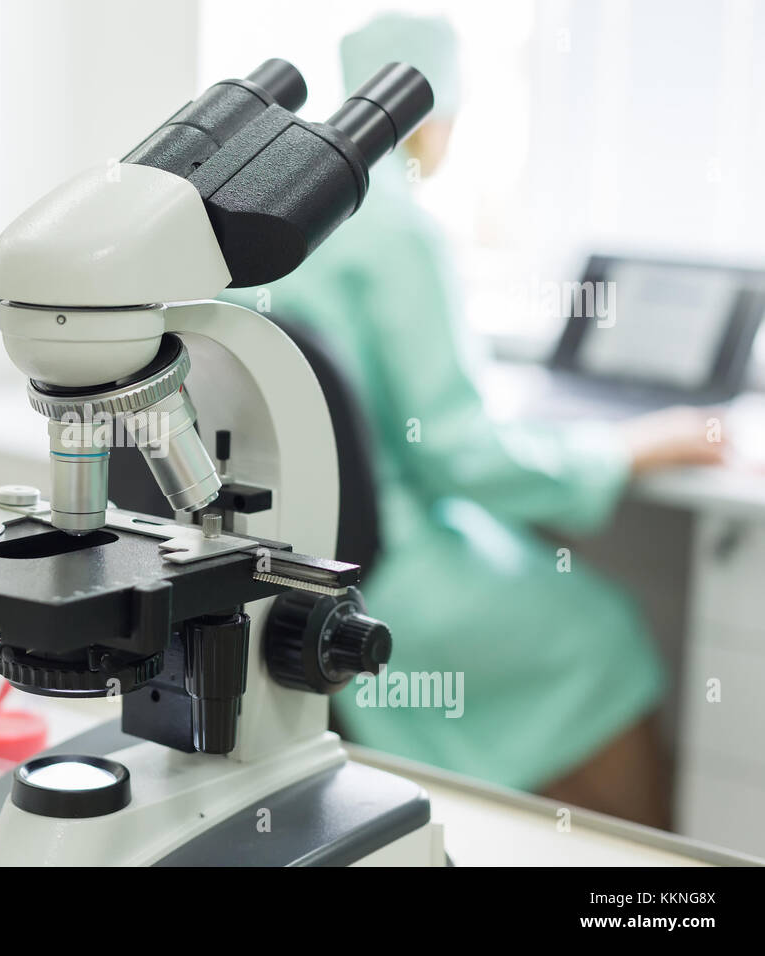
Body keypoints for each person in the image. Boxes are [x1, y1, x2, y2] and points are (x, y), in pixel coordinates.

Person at [240, 14, 725, 828]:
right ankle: (648, 891)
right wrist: (626, 451)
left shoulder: (272, 208)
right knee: (604, 629)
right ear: (437, 118)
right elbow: (462, 454)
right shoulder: (397, 224)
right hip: (386, 574)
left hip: (280, 559)